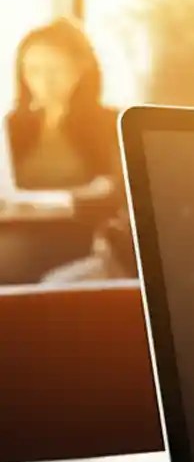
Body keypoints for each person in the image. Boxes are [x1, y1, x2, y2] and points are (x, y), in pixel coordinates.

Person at [0, 18, 129, 283]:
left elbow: (114, 190)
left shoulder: (108, 123)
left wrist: (63, 201)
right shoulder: (13, 126)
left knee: (11, 261)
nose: (44, 81)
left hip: (78, 233)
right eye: (33, 71)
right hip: (16, 228)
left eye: (54, 69)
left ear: (80, 69)